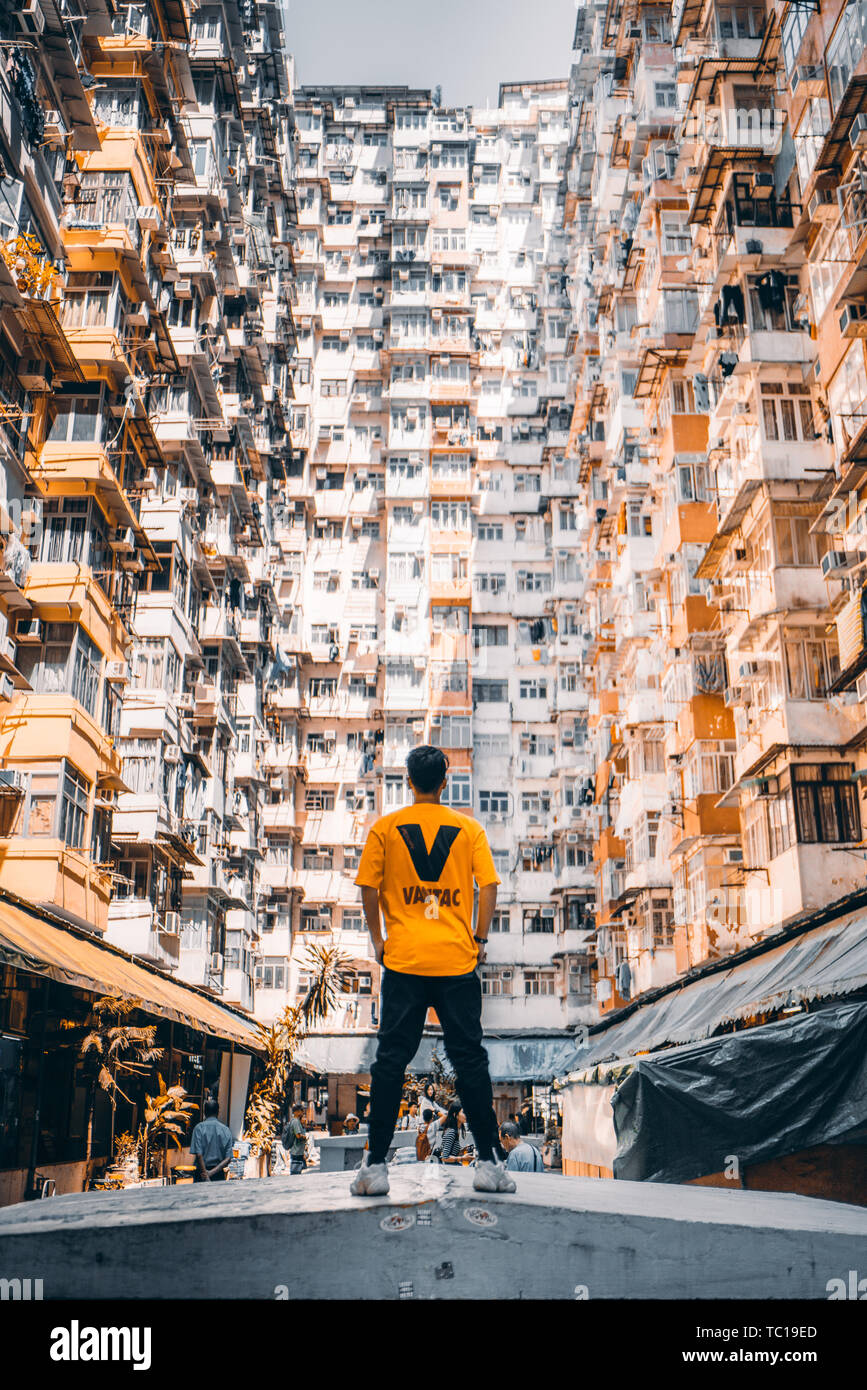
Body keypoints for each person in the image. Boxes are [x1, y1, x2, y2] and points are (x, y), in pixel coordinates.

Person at [350, 745, 515, 1197]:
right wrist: (479, 940)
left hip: (403, 962)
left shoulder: (384, 829)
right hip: (457, 963)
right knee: (470, 1061)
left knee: (390, 1062)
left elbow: (367, 887)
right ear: (446, 782)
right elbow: (490, 886)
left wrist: (379, 940)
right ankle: (488, 1164)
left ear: (408, 781)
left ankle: (375, 1168)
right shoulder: (469, 829)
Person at [190, 1097, 234, 1183]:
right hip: (218, 1174)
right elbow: (228, 1158)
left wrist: (205, 1175)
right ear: (218, 1112)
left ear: (204, 1112)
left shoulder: (199, 1128)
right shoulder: (225, 1130)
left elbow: (199, 1155)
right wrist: (210, 1173)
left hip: (201, 1174)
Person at [282, 1103, 308, 1175]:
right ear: (296, 1112)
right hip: (296, 1151)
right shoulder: (296, 1122)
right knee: (295, 1172)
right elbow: (298, 1136)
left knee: (297, 1170)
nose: (303, 1113)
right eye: (301, 1111)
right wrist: (305, 1137)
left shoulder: (296, 1121)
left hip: (297, 1150)